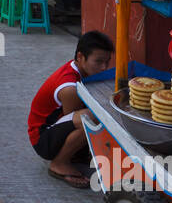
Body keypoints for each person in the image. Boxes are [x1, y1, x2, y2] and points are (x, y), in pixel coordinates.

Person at [28, 31, 114, 188]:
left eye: (107, 62)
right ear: (80, 57)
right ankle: (59, 163)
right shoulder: (69, 88)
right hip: (42, 140)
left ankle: (76, 155)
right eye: (98, 61)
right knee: (90, 118)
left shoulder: (79, 69)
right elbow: (72, 120)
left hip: (57, 128)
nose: (104, 67)